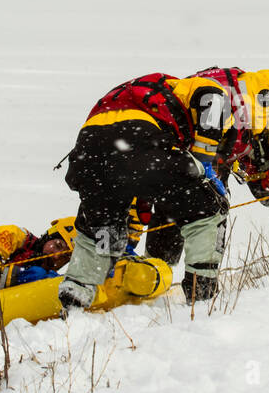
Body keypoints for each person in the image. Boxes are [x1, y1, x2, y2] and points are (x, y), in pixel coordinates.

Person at [58, 73, 231, 308]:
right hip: (138, 139)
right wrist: (203, 163)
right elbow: (213, 99)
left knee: (101, 229)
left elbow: (139, 186)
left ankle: (76, 295)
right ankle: (201, 293)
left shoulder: (140, 92)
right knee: (207, 210)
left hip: (88, 152)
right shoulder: (199, 86)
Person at [146, 67, 269, 267]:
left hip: (251, 135)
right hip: (197, 146)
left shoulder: (257, 92)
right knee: (199, 203)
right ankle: (158, 273)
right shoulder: (178, 121)